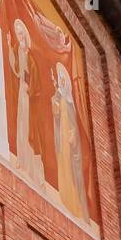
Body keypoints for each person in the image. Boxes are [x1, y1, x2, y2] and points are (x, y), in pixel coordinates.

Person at [7, 19, 44, 185]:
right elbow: (15, 68)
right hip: (22, 92)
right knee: (21, 124)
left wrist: (31, 87)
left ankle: (29, 164)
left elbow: (35, 75)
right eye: (18, 33)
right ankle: (22, 160)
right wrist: (9, 46)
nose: (19, 36)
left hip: (28, 94)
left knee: (28, 126)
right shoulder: (17, 50)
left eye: (21, 33)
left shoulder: (30, 54)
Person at [52, 62, 90, 222]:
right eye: (59, 78)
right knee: (63, 165)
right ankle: (65, 197)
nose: (61, 80)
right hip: (62, 137)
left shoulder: (70, 102)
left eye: (63, 78)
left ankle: (75, 203)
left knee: (71, 167)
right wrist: (54, 102)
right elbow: (56, 115)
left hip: (70, 140)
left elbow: (75, 124)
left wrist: (74, 135)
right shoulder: (59, 96)